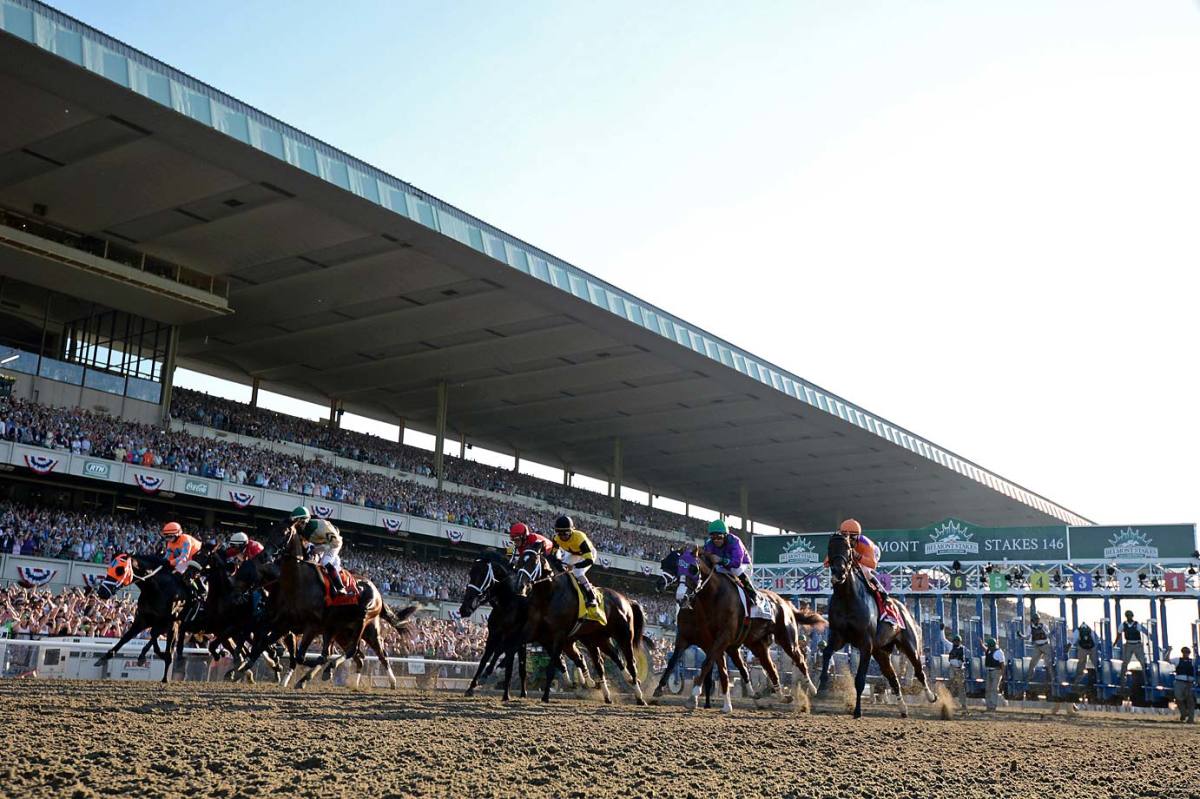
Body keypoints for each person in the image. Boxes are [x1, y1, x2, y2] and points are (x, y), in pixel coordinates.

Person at [702, 520, 757, 602]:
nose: (716, 540)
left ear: (725, 535)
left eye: (719, 537)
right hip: (725, 566)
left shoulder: (735, 542)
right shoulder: (709, 544)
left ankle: (752, 594)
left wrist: (720, 559)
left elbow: (736, 563)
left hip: (744, 566)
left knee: (735, 570)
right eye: (713, 537)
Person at [550, 515, 598, 608]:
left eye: (566, 533)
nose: (563, 536)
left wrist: (575, 566)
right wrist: (557, 560)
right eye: (560, 533)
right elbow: (553, 554)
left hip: (588, 554)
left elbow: (589, 560)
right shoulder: (556, 538)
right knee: (562, 570)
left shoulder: (579, 538)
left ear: (572, 531)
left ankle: (592, 597)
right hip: (574, 553)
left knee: (577, 572)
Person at [162, 521, 204, 608]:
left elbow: (184, 557)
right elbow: (167, 558)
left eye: (170, 536)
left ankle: (200, 593)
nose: (168, 539)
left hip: (199, 557)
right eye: (166, 537)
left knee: (185, 575)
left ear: (177, 534)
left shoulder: (186, 540)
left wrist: (170, 563)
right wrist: (161, 563)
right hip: (187, 559)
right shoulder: (170, 543)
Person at [302, 516, 347, 595]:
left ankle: (340, 586)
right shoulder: (317, 536)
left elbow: (330, 545)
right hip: (324, 547)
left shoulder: (335, 553)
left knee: (325, 562)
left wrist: (317, 550)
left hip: (332, 547)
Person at [1116, 610, 1149, 686]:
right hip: (1128, 645)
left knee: (1142, 662)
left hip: (1137, 645)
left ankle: (1146, 680)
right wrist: (1114, 643)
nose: (1129, 617)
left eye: (1130, 615)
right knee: (1125, 663)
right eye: (1127, 615)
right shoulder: (1123, 625)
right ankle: (1122, 681)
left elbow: (1144, 633)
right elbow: (1119, 634)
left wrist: (1148, 641)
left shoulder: (1137, 624)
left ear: (1132, 616)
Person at [1025, 612, 1055, 685]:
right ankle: (1029, 678)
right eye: (1035, 619)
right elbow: (1027, 637)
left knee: (1048, 663)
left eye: (1037, 619)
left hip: (1045, 645)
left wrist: (1051, 632)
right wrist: (1021, 636)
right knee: (1032, 663)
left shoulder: (1043, 626)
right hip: (1037, 646)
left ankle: (1052, 679)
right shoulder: (1030, 627)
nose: (1036, 621)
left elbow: (1048, 634)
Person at [1170, 646, 1196, 723]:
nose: (1186, 654)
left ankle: (1190, 718)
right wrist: (1169, 651)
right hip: (1179, 682)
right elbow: (1167, 660)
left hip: (1190, 683)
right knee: (1178, 698)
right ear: (1182, 652)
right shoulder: (1177, 660)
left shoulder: (1193, 661)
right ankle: (1184, 713)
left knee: (1190, 700)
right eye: (1184, 652)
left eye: (1187, 652)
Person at [1070, 621, 1099, 688]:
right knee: (1095, 664)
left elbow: (1072, 641)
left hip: (1082, 648)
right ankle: (1097, 679)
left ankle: (1077, 683)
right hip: (1092, 648)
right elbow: (1096, 640)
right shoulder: (1090, 630)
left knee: (1081, 664)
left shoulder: (1078, 630)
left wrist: (1068, 647)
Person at [983, 636, 1006, 711]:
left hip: (996, 671)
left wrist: (1002, 674)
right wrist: (982, 645)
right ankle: (988, 706)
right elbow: (986, 650)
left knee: (994, 689)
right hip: (989, 671)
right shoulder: (989, 651)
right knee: (988, 689)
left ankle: (993, 706)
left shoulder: (999, 652)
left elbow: (1002, 664)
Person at [947, 632, 968, 710]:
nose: (956, 642)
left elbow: (964, 659)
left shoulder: (963, 649)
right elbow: (943, 640)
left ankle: (963, 704)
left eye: (957, 641)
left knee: (961, 687)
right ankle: (948, 702)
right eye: (955, 641)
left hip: (959, 669)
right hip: (952, 668)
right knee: (950, 685)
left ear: (960, 642)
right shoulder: (950, 646)